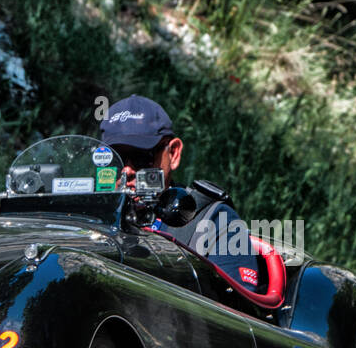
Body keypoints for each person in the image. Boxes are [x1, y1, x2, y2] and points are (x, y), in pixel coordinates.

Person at [100, 95, 263, 292]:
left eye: (141, 157)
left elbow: (235, 313)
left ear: (174, 153)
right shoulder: (89, 214)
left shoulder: (212, 220)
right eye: (114, 159)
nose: (127, 170)